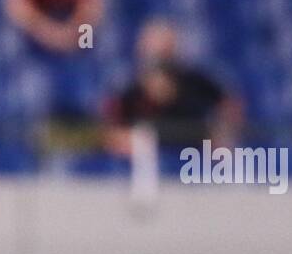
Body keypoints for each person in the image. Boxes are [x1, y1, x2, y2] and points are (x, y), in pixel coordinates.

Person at [103, 18, 243, 157]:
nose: (159, 55)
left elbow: (229, 105)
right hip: (145, 160)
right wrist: (122, 140)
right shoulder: (128, 86)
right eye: (153, 47)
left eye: (165, 47)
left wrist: (222, 131)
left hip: (193, 156)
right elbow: (111, 127)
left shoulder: (195, 80)